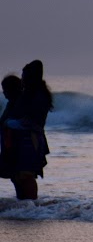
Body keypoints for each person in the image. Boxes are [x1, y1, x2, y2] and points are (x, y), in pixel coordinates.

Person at [1, 64, 51, 200]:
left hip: (30, 140)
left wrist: (10, 123)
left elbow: (31, 121)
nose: (22, 79)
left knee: (26, 174)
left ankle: (30, 204)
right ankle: (24, 203)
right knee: (17, 174)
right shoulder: (26, 96)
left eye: (24, 76)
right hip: (19, 140)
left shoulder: (37, 96)